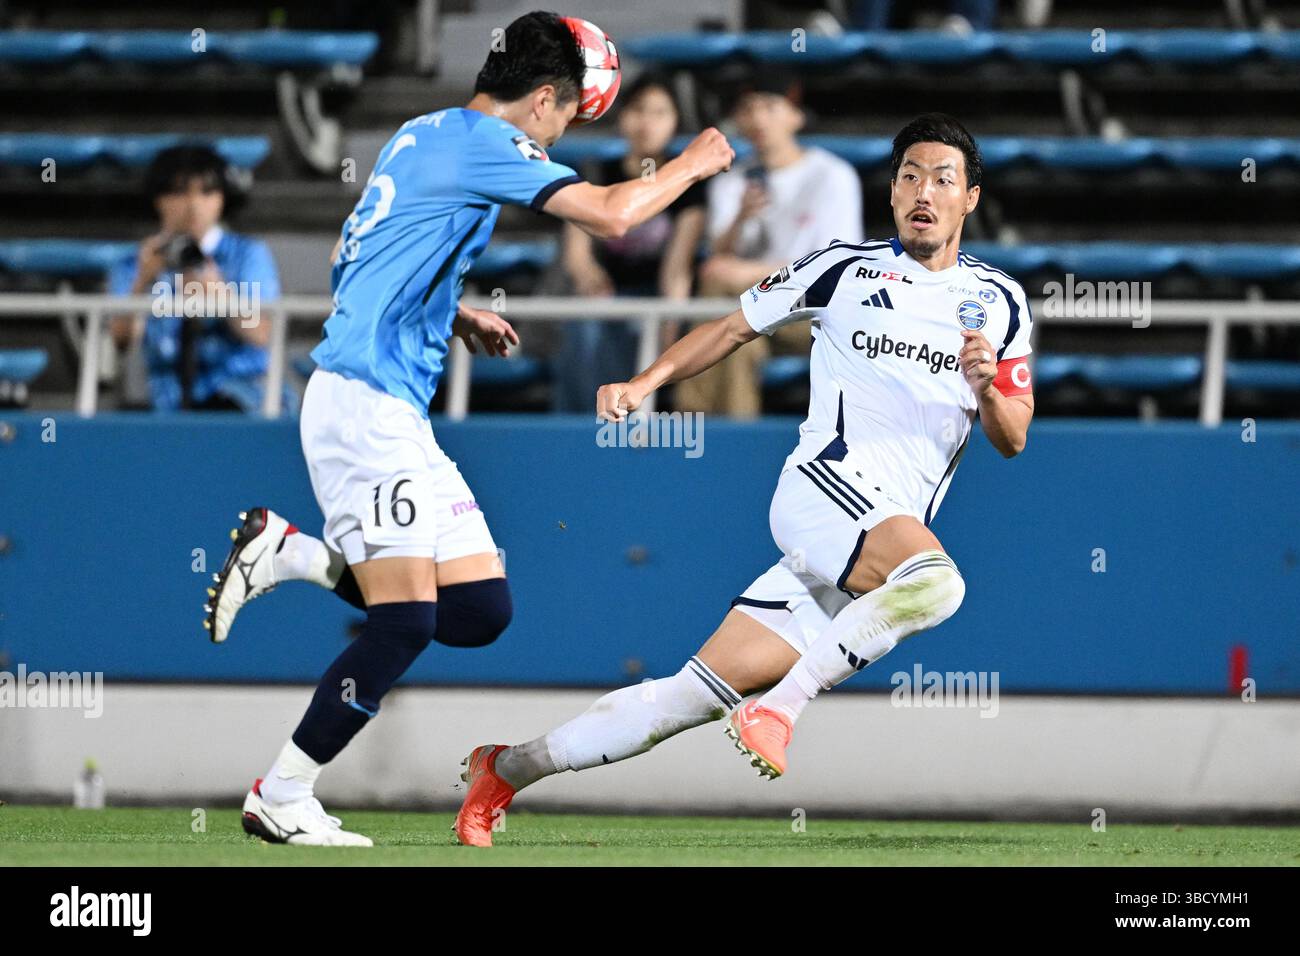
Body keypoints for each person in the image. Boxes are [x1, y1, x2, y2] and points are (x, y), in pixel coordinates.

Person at [202, 11, 734, 847]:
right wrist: (695, 163)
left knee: (481, 609)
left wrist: (453, 313)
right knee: (406, 623)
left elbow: (363, 261)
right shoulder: (489, 144)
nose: (559, 134)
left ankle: (295, 554)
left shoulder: (422, 135)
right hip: (365, 405)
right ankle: (283, 791)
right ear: (546, 98)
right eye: (566, 118)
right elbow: (615, 214)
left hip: (384, 405)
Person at [454, 113, 1035, 847]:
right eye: (910, 176)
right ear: (891, 193)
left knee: (682, 700)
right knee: (938, 584)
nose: (925, 191)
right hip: (827, 491)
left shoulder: (1002, 304)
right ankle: (779, 711)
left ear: (970, 199)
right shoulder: (845, 269)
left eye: (943, 179)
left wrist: (986, 388)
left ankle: (505, 768)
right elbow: (733, 327)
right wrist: (646, 380)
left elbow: (1012, 437)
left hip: (868, 552)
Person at [676, 72, 862, 417]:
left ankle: (689, 422)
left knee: (723, 303)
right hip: (755, 309)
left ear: (796, 116)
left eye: (769, 107)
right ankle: (732, 444)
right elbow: (720, 255)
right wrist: (741, 218)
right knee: (735, 344)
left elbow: (835, 268)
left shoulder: (832, 176)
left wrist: (747, 273)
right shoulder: (733, 179)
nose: (758, 118)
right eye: (749, 108)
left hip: (817, 309)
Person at [555, 73, 707, 411]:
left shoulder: (687, 185)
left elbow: (677, 270)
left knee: (644, 331)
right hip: (605, 294)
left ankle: (626, 425)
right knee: (587, 325)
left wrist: (670, 323)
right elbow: (576, 255)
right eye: (638, 110)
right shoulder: (595, 174)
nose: (647, 122)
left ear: (675, 122)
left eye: (660, 113)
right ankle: (582, 429)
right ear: (622, 117)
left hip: (656, 296)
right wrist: (588, 277)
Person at [108, 145, 289, 412]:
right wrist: (142, 282)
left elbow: (262, 334)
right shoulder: (135, 262)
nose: (193, 205)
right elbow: (121, 341)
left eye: (207, 192)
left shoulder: (247, 254)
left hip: (243, 401)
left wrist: (219, 294)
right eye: (179, 192)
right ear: (158, 198)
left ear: (222, 199)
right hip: (167, 405)